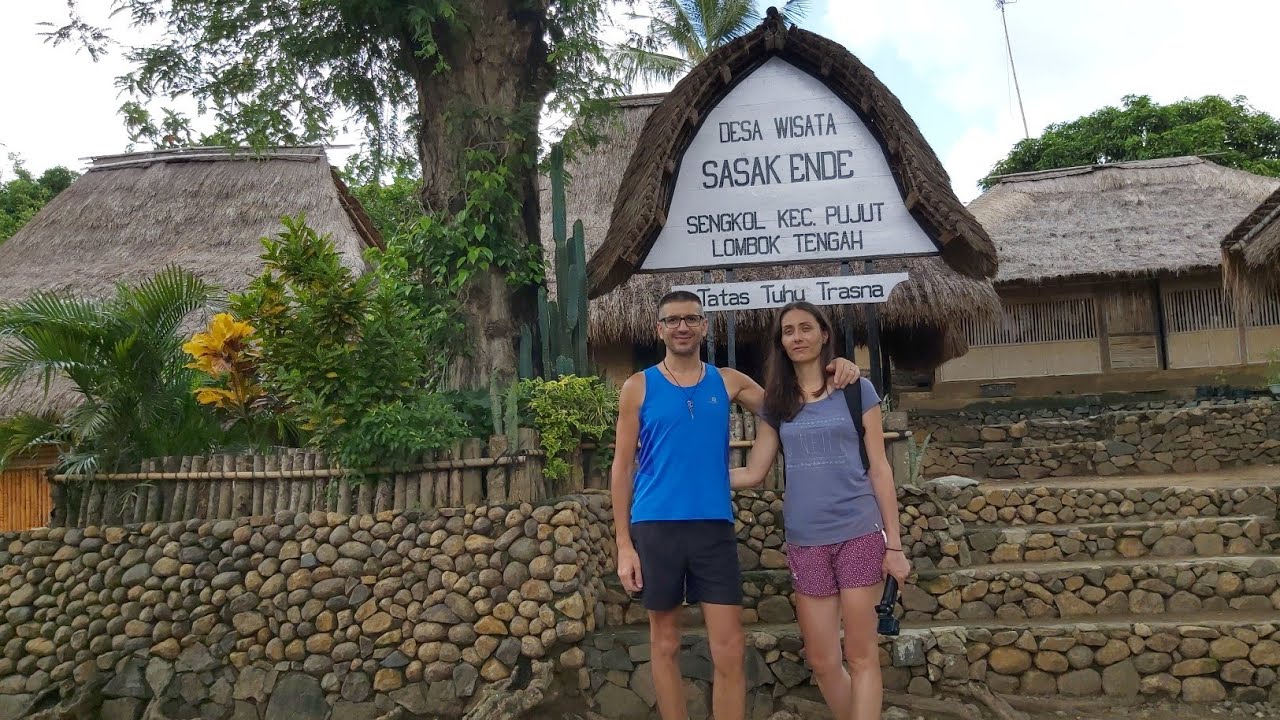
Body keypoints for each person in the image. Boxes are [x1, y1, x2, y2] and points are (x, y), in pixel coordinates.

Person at [611, 290, 860, 720]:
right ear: (659, 329)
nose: (682, 327)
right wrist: (623, 545)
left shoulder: (728, 381)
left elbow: (791, 405)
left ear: (704, 326)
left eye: (691, 319)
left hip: (714, 528)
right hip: (655, 526)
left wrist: (835, 367)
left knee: (729, 647)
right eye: (673, 320)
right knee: (665, 643)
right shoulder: (638, 386)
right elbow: (620, 467)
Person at [732, 300, 910, 720]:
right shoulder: (777, 404)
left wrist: (895, 546)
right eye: (788, 331)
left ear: (824, 334)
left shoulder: (856, 390)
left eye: (805, 328)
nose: (797, 337)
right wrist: (690, 477)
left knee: (862, 655)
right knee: (823, 660)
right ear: (781, 342)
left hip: (858, 532)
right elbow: (754, 471)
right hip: (805, 541)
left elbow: (880, 468)